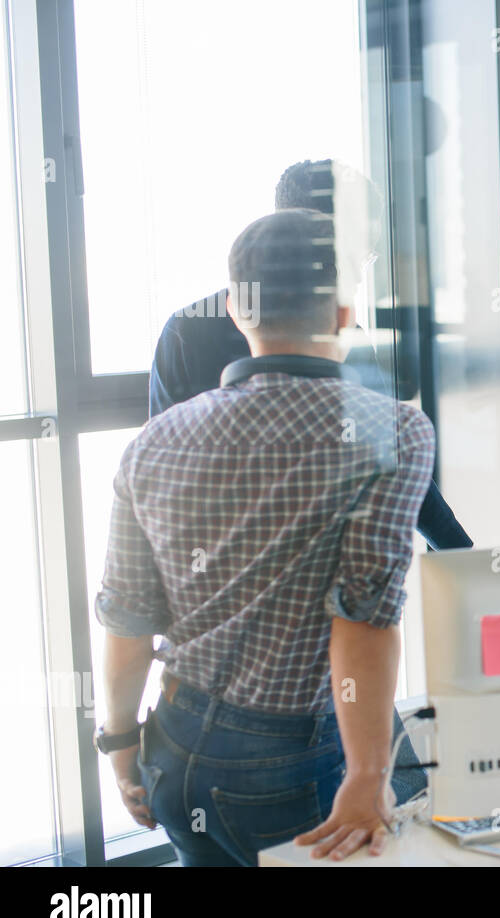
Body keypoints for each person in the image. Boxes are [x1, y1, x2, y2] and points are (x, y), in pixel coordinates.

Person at [97, 209, 435, 865]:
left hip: (173, 744)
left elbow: (126, 617)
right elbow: (362, 620)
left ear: (235, 309)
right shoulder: (390, 432)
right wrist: (368, 775)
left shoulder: (154, 441)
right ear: (344, 311)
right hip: (290, 764)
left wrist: (117, 746)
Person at [148, 158, 472, 550]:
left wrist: (464, 556)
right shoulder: (189, 334)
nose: (354, 274)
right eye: (354, 254)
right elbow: (168, 488)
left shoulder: (350, 336)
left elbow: (397, 464)